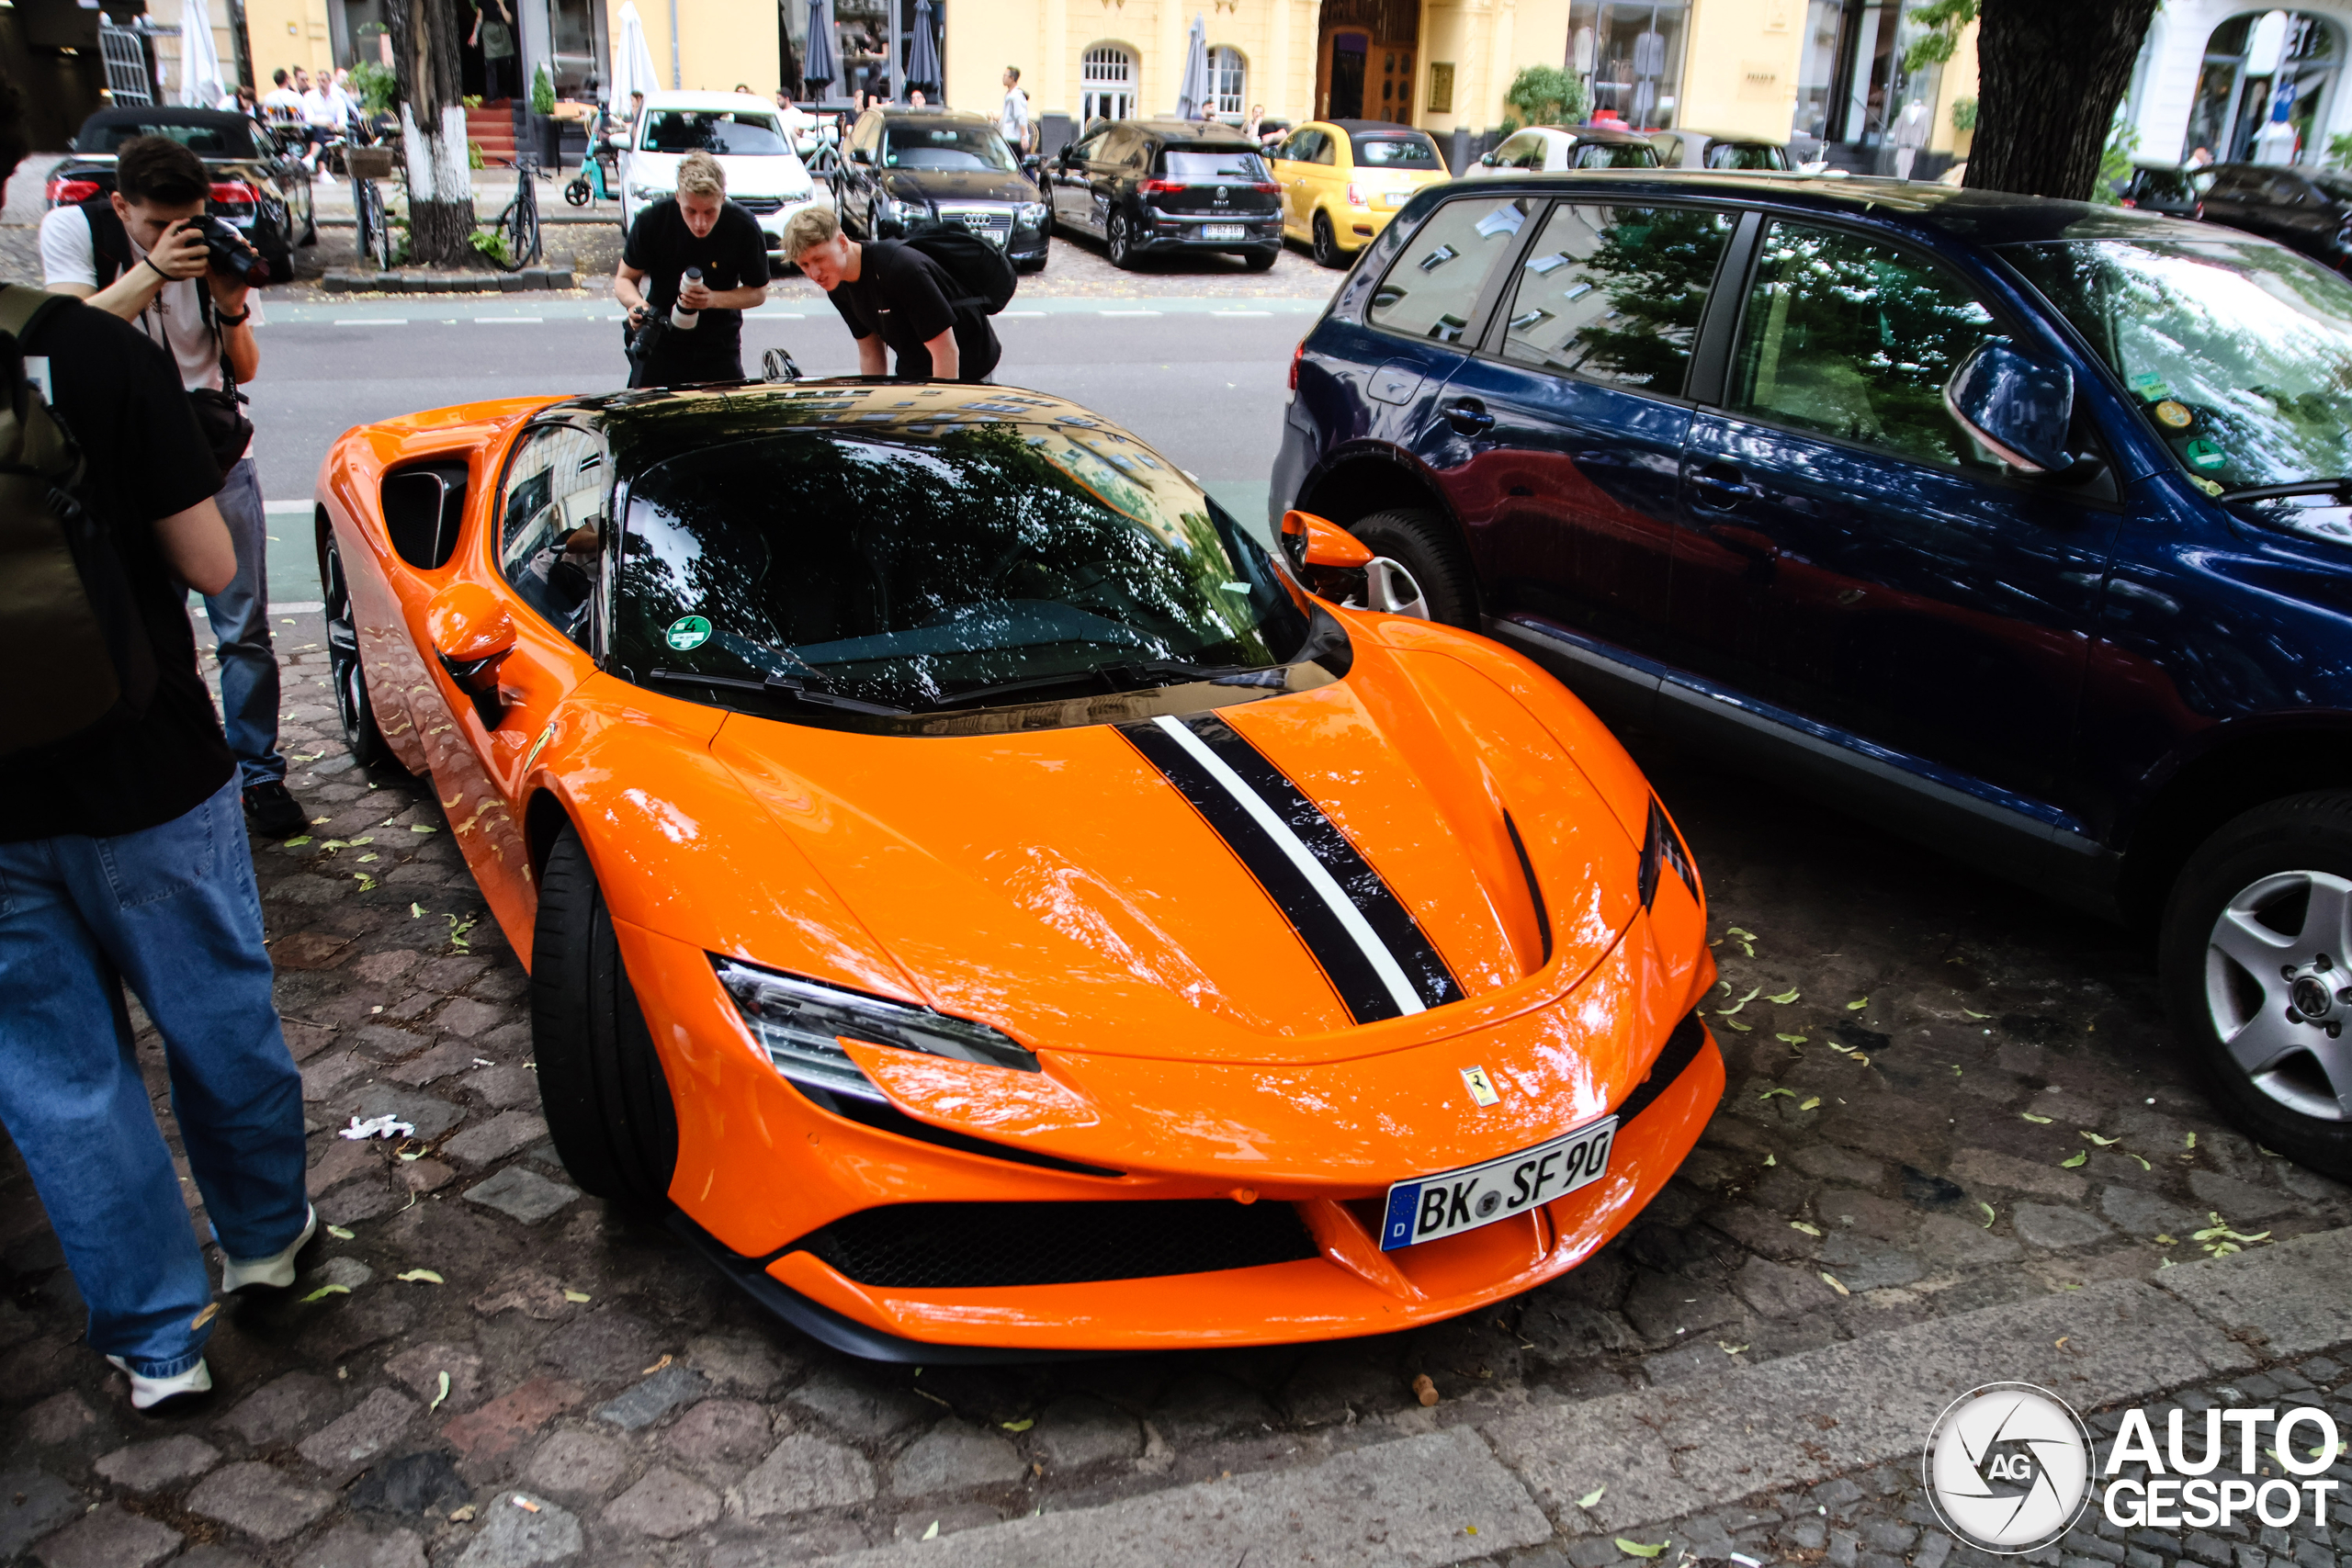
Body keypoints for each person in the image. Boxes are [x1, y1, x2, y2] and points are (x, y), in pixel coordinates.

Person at [0, 66, 314, 1414]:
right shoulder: (82, 350)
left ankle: (153, 1340)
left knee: (60, 1079)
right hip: (144, 764)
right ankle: (263, 1241)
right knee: (214, 1012)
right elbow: (204, 559)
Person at [40, 136, 306, 839]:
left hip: (210, 453)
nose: (174, 235)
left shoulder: (208, 245)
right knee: (148, 627)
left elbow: (241, 370)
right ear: (122, 205)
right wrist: (154, 270)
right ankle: (184, 774)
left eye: (185, 219)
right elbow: (71, 338)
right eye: (156, 223)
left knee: (244, 628)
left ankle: (259, 773)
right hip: (121, 462)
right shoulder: (78, 230)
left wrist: (229, 303)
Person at [784, 203, 1000, 383]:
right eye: (804, 264)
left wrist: (940, 418)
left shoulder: (897, 267)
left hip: (968, 363)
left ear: (842, 242)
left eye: (819, 259)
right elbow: (870, 350)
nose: (815, 273)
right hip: (913, 366)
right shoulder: (837, 285)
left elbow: (946, 351)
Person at [614, 150, 770, 387]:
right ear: (678, 197)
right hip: (659, 340)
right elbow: (624, 279)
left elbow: (758, 292)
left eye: (709, 212)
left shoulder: (743, 227)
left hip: (718, 345)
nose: (700, 223)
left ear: (722, 198)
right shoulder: (652, 221)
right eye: (691, 211)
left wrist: (711, 299)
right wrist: (638, 306)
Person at [472, 0, 517, 101]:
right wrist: (475, 34)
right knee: (490, 65)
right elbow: (479, 18)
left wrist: (501, 4)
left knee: (505, 66)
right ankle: (492, 97)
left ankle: (504, 94)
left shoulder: (506, 2)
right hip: (489, 32)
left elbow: (509, 20)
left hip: (502, 30)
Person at [1001, 65, 1032, 155]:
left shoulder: (1017, 96)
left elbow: (1021, 116)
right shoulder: (1009, 95)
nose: (1003, 78)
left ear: (1012, 78)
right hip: (1007, 135)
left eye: (1005, 76)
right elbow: (1007, 115)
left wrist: (1024, 137)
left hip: (1013, 138)